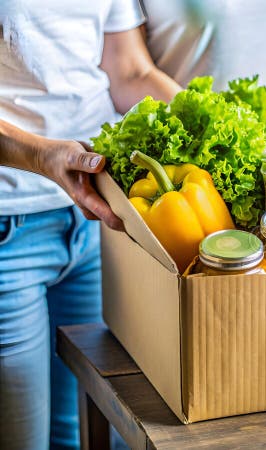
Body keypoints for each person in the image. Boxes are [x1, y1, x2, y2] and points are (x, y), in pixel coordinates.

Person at [0, 1, 181, 448]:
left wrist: (208, 117)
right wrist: (42, 154)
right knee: (24, 437)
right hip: (10, 228)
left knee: (89, 427)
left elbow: (130, 71)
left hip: (98, 219)